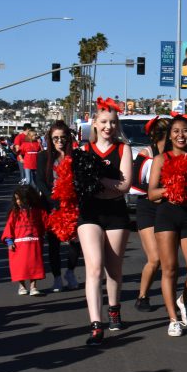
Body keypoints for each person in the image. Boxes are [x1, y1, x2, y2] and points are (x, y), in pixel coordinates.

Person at [147, 116, 187, 337]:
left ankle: (183, 299)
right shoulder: (160, 159)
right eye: (176, 131)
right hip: (166, 216)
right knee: (170, 269)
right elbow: (152, 194)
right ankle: (173, 318)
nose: (180, 135)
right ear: (170, 135)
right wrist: (171, 188)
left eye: (185, 131)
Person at [77, 98, 132, 346]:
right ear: (95, 124)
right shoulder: (84, 151)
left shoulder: (123, 149)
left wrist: (98, 181)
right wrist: (111, 186)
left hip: (116, 214)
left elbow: (125, 186)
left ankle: (114, 308)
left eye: (112, 122)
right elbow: (79, 185)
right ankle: (96, 325)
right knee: (95, 268)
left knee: (114, 269)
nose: (108, 126)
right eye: (103, 122)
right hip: (90, 213)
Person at [32, 121, 81, 292]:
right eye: (55, 138)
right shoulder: (43, 156)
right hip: (51, 205)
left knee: (75, 241)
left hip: (72, 204)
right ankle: (57, 278)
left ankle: (70, 272)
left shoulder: (76, 156)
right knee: (53, 244)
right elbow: (39, 180)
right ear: (50, 139)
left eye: (62, 137)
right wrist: (52, 199)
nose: (59, 140)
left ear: (68, 138)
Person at [133, 116, 170, 311]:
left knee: (167, 260)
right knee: (154, 259)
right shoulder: (146, 153)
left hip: (168, 207)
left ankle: (170, 300)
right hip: (147, 207)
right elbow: (133, 183)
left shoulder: (176, 154)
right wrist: (156, 190)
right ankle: (142, 296)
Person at [1, 185, 46, 296]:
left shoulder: (38, 212)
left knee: (34, 265)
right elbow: (9, 228)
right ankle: (22, 286)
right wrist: (9, 241)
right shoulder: (15, 213)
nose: (18, 201)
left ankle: (33, 286)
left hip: (33, 243)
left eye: (19, 198)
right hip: (19, 245)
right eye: (16, 199)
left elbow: (45, 223)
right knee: (19, 267)